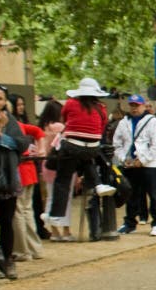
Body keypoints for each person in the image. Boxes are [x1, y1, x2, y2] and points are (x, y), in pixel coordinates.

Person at [47, 78, 117, 226]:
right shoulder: (101, 108)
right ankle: (98, 184)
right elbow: (103, 125)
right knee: (87, 158)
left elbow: (65, 119)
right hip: (93, 146)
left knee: (63, 180)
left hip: (72, 145)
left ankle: (56, 214)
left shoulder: (71, 103)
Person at [0, 84, 30, 279]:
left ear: (4, 101)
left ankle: (8, 259)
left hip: (9, 177)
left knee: (7, 221)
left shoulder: (11, 119)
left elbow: (21, 143)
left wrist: (2, 136)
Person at [113, 94, 156, 236]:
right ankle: (130, 222)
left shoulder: (152, 122)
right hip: (129, 165)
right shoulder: (123, 123)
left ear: (143, 105)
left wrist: (143, 159)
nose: (134, 108)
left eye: (137, 105)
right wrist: (124, 159)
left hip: (149, 165)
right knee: (132, 194)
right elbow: (117, 143)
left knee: (154, 194)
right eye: (132, 105)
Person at [38, 100, 75, 242]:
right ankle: (66, 230)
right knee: (66, 198)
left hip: (47, 166)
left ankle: (54, 230)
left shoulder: (43, 127)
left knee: (51, 197)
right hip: (64, 166)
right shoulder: (60, 127)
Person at [11, 116, 46, 261]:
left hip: (19, 172)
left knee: (18, 211)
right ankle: (35, 249)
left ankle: (22, 251)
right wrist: (42, 149)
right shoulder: (19, 124)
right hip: (29, 172)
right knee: (27, 210)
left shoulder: (10, 126)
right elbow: (38, 132)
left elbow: (38, 132)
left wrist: (41, 149)